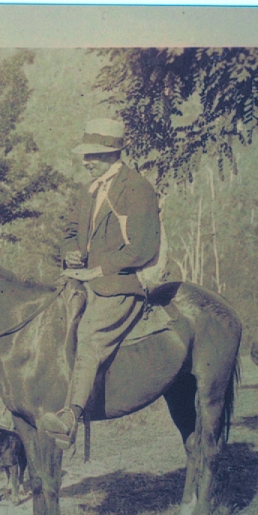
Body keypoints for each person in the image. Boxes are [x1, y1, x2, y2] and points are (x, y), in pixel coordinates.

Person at [38, 118, 161, 449]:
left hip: (120, 284)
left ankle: (70, 418)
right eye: (85, 155)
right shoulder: (87, 191)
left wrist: (99, 270)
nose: (85, 161)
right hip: (82, 279)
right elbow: (68, 233)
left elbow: (144, 247)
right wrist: (72, 253)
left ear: (111, 154)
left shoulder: (137, 189)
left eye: (91, 155)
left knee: (89, 335)